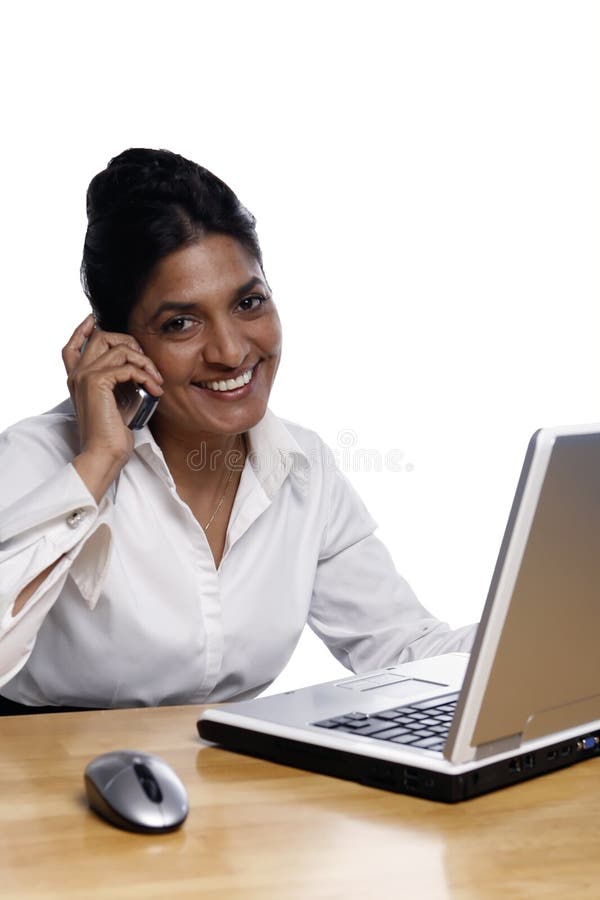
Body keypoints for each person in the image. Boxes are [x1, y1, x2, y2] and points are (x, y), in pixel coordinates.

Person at [0, 148, 476, 713]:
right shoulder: (37, 460)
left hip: (220, 779)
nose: (231, 352)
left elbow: (405, 647)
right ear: (116, 344)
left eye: (249, 302)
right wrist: (101, 457)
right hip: (40, 780)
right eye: (181, 323)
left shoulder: (302, 468)